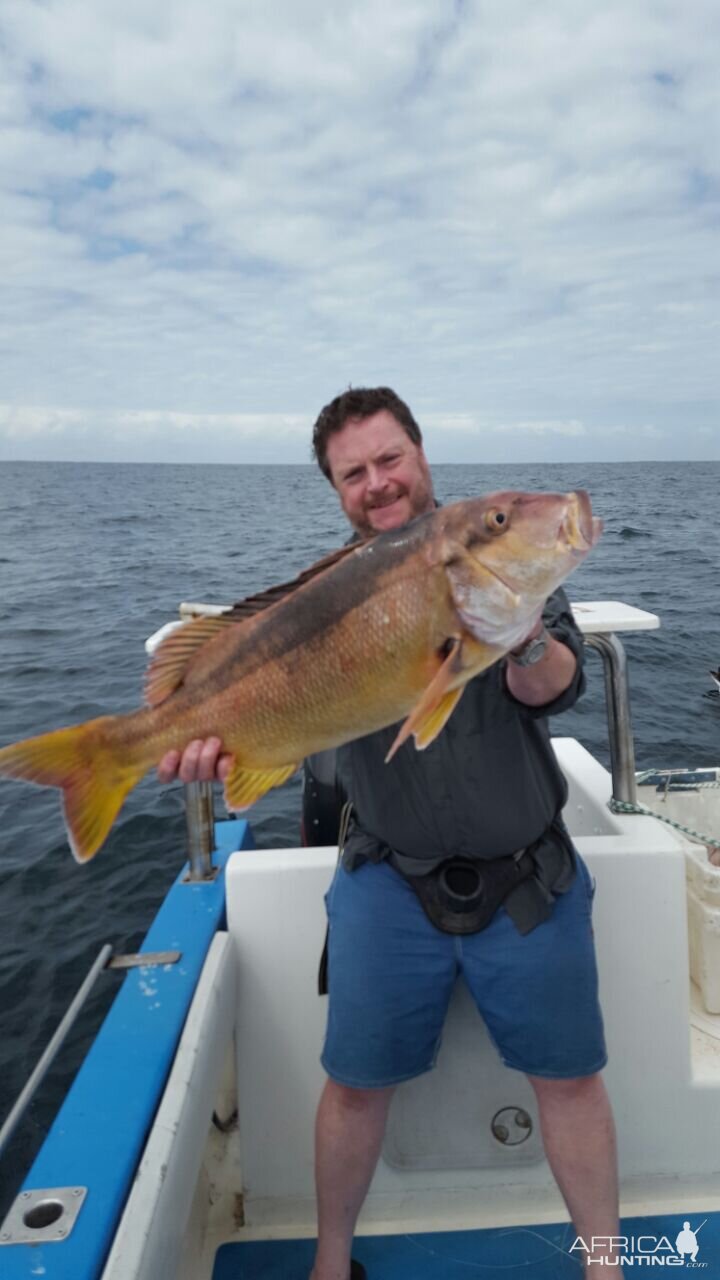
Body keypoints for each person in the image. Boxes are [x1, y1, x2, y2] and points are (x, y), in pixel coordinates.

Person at [158, 387, 619, 1280]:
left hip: (527, 879)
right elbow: (271, 734)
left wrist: (520, 637)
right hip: (385, 881)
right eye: (353, 472)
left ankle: (607, 1265)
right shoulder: (330, 592)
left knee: (569, 1083)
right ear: (337, 490)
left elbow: (554, 685)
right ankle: (332, 1265)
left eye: (389, 458)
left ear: (420, 453)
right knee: (355, 1087)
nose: (378, 483)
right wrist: (212, 747)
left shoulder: (495, 574)